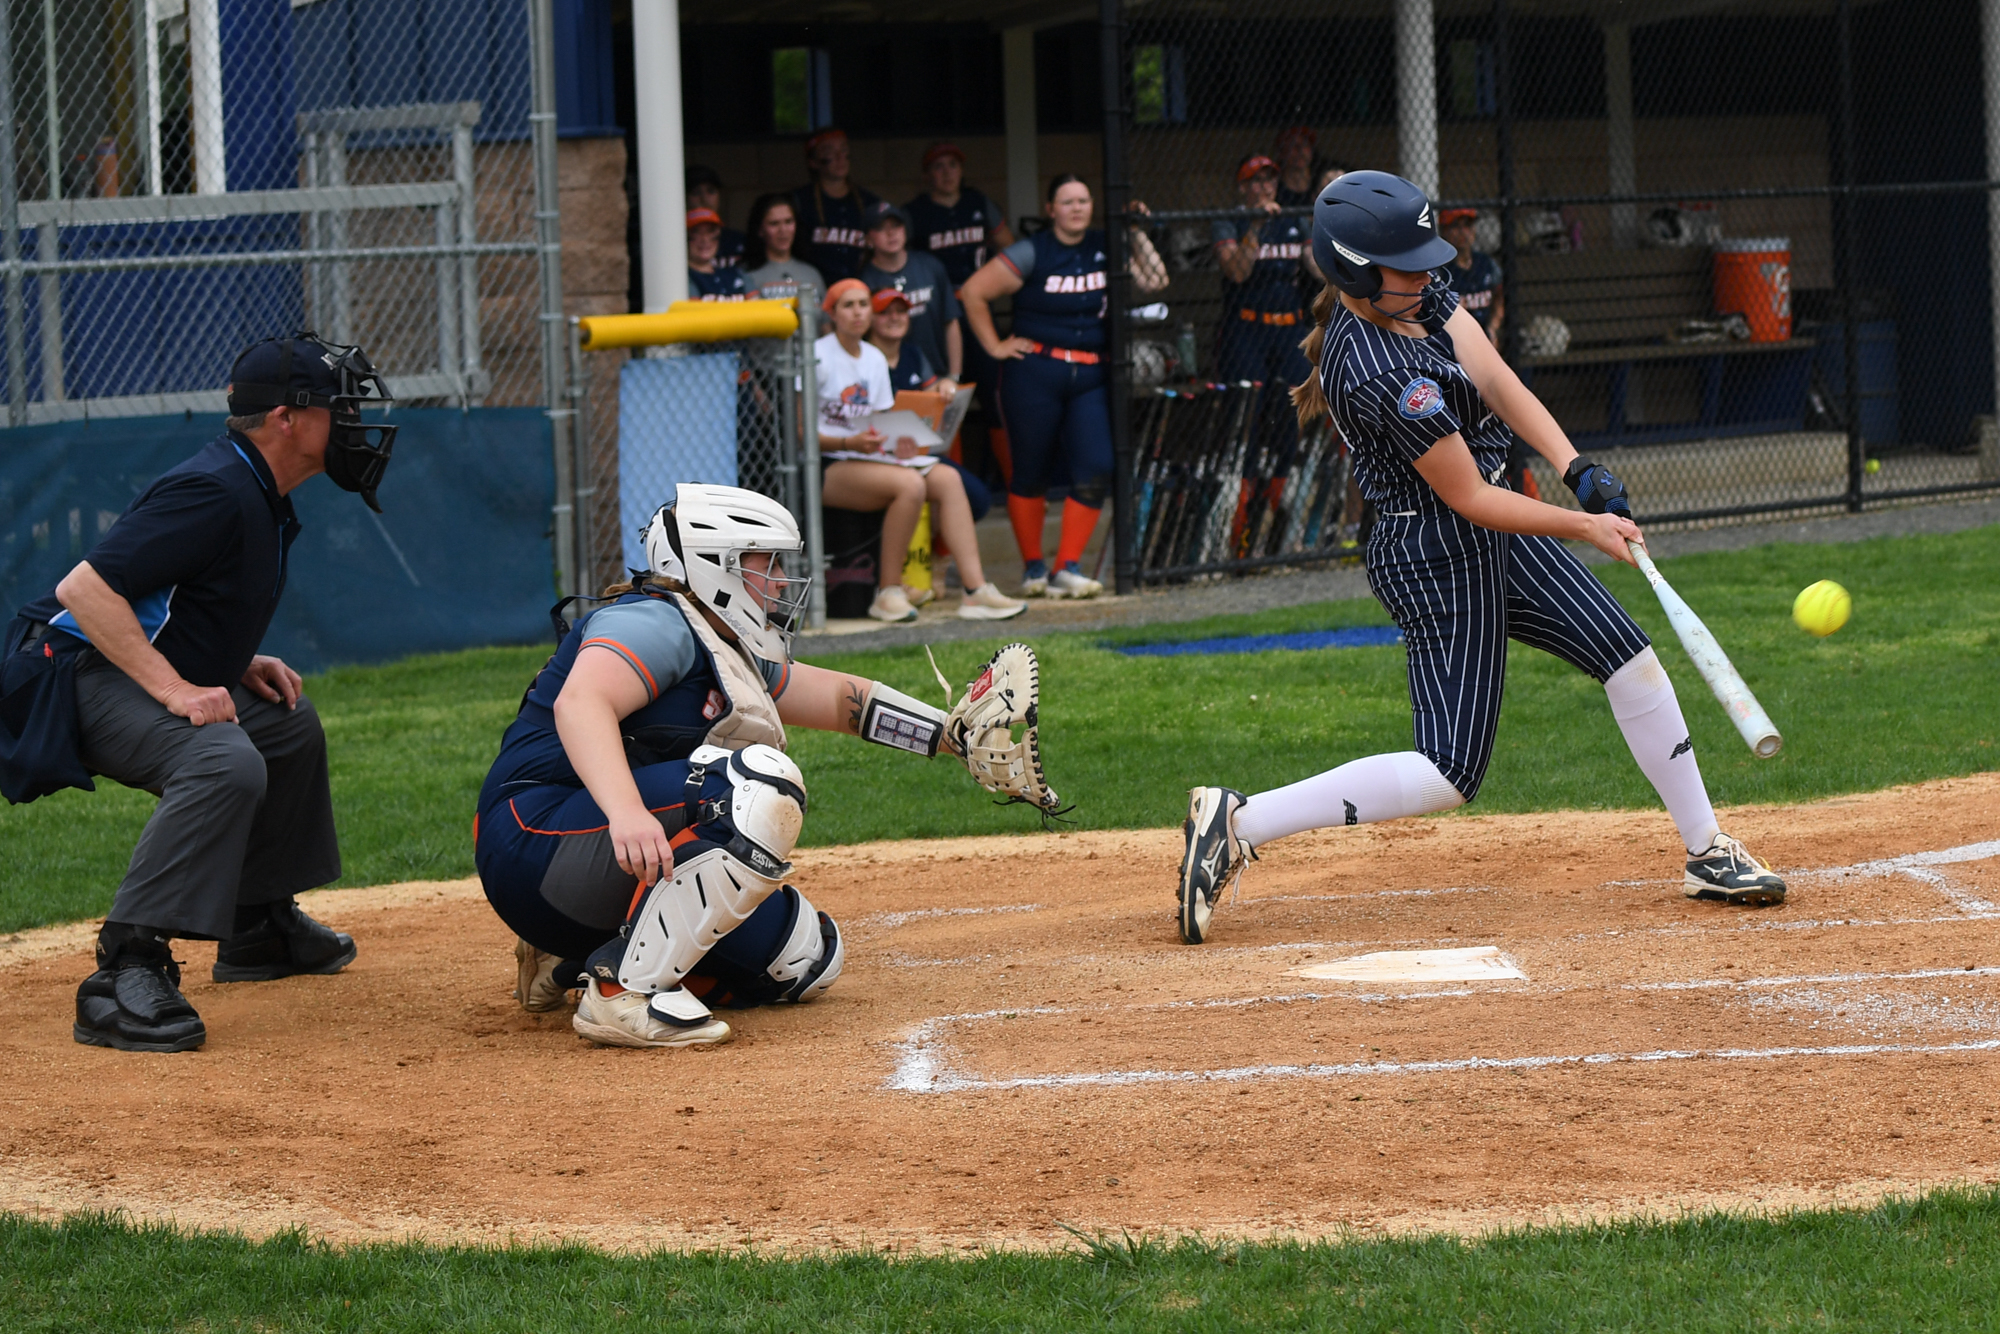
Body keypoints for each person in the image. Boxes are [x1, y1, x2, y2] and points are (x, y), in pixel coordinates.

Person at [1173, 170, 1788, 946]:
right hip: (1433, 550)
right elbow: (1466, 496)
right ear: (1359, 274)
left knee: (1629, 660)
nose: (1430, 275)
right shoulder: (1377, 372)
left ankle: (1705, 852)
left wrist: (1577, 469)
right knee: (1448, 774)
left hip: (1490, 523)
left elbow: (1496, 378)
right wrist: (1582, 526)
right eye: (1407, 262)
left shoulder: (1417, 300)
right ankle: (1239, 821)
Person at [477, 485, 1038, 1047]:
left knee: (803, 958)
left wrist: (951, 736)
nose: (776, 580)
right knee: (759, 785)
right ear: (709, 564)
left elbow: (845, 700)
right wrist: (626, 812)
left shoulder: (721, 639)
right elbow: (581, 704)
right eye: (762, 563)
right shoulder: (655, 621)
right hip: (535, 836)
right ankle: (623, 992)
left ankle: (569, 956)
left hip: (584, 863)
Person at [5, 333, 398, 1051]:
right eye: (335, 409)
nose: (349, 424)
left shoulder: (256, 486)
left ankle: (255, 925)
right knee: (221, 759)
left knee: (283, 724)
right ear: (286, 419)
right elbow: (84, 591)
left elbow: (177, 598)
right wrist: (177, 689)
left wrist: (234, 660)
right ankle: (123, 968)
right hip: (70, 679)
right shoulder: (214, 488)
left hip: (108, 666)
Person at [960, 174, 1169, 598]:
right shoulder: (1034, 251)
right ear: (1050, 208)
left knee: (1096, 468)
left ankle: (1066, 568)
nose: (1077, 208)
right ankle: (1033, 570)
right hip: (1035, 372)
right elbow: (973, 292)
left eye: (1084, 200)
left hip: (1091, 374)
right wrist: (995, 345)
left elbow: (1155, 281)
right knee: (1029, 471)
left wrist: (1134, 233)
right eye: (1067, 202)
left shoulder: (1105, 245)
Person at [815, 279, 1024, 623]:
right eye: (848, 305)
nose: (857, 313)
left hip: (868, 457)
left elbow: (877, 422)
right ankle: (889, 591)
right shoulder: (817, 355)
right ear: (832, 313)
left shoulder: (873, 358)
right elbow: (798, 434)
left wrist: (900, 442)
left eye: (863, 304)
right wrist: (848, 443)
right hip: (828, 463)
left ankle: (976, 591)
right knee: (910, 485)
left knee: (948, 479)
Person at [867, 288, 995, 584]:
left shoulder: (913, 353)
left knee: (977, 497)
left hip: (918, 452)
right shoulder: (867, 358)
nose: (894, 318)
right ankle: (895, 581)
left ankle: (939, 559)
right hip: (875, 455)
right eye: (885, 312)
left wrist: (945, 389)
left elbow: (931, 395)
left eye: (900, 312)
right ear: (871, 319)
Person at [904, 142, 1014, 410]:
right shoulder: (915, 212)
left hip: (977, 305)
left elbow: (1009, 248)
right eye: (938, 167)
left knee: (994, 386)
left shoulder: (978, 202)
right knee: (944, 389)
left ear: (961, 170)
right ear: (927, 175)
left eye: (952, 165)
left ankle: (999, 450)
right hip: (938, 312)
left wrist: (994, 285)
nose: (947, 172)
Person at [859, 201, 961, 386]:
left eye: (896, 225)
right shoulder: (863, 281)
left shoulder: (931, 266)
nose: (891, 233)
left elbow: (951, 321)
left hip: (936, 374)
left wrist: (954, 375)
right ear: (868, 239)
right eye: (881, 228)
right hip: (885, 378)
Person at [792, 128, 881, 283]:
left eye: (843, 149)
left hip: (860, 289)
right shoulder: (800, 202)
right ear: (813, 161)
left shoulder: (869, 201)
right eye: (829, 151)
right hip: (817, 288)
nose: (840, 157)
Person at [742, 193, 825, 311]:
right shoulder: (747, 275)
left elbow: (826, 325)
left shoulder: (812, 273)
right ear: (760, 230)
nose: (783, 230)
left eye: (788, 221)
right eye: (774, 223)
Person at [686, 165, 747, 270]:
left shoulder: (739, 240)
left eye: (711, 191)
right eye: (696, 192)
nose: (704, 199)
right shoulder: (676, 241)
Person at [687, 208, 750, 301]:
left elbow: (757, 305)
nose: (705, 239)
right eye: (696, 232)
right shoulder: (682, 278)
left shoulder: (733, 272)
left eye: (711, 232)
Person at [1273, 125, 1319, 208]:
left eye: (1305, 144)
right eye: (1293, 145)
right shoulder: (1273, 189)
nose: (1300, 150)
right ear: (1281, 152)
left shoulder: (1320, 182)